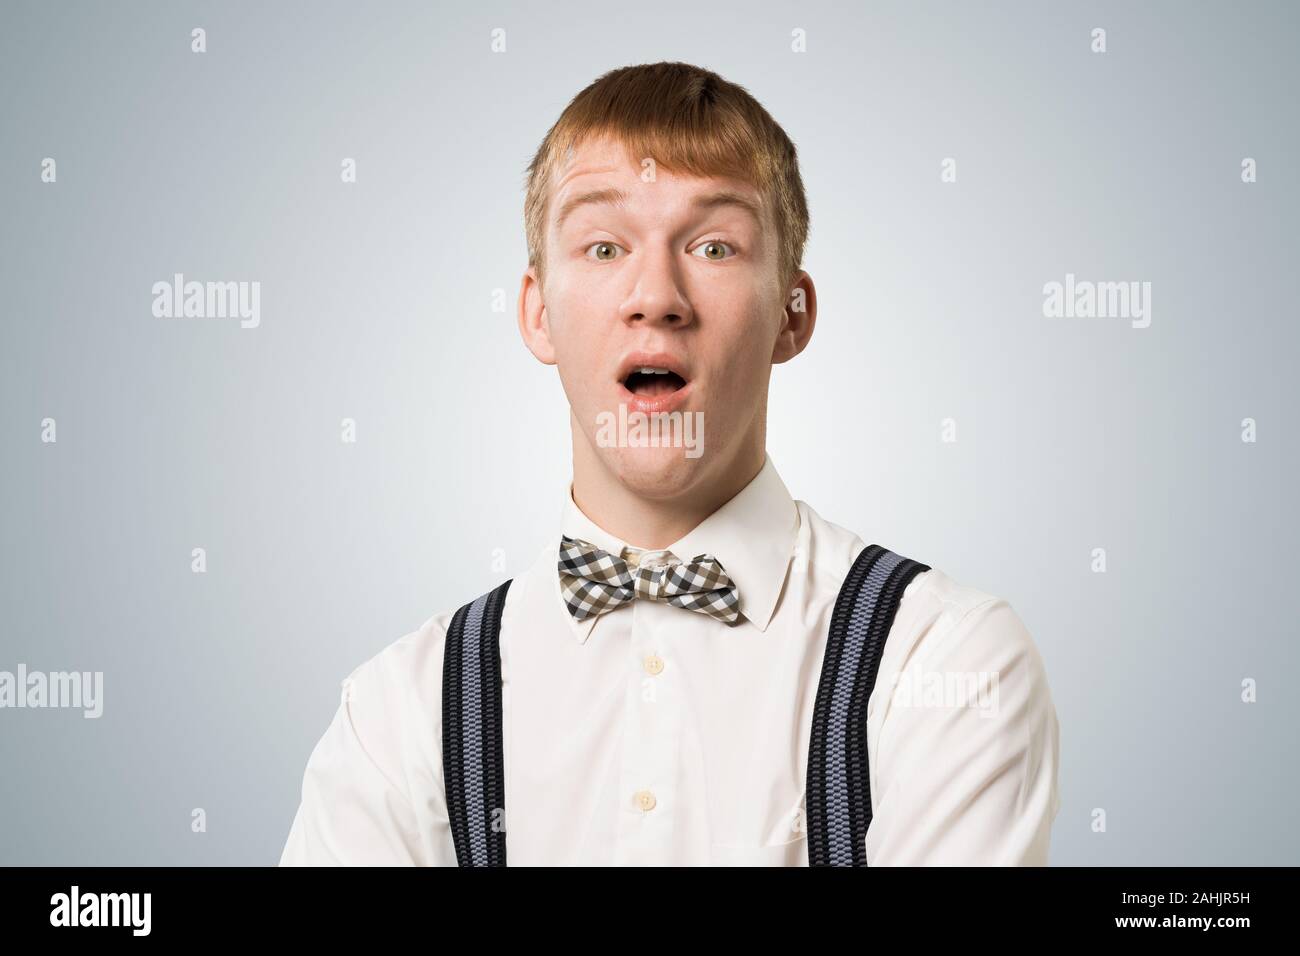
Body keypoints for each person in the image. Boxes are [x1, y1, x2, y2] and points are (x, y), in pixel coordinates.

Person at [279, 60, 1061, 866]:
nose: (656, 294)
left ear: (792, 315)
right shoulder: (398, 713)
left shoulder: (942, 660)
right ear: (538, 313)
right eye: (604, 245)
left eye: (715, 245)